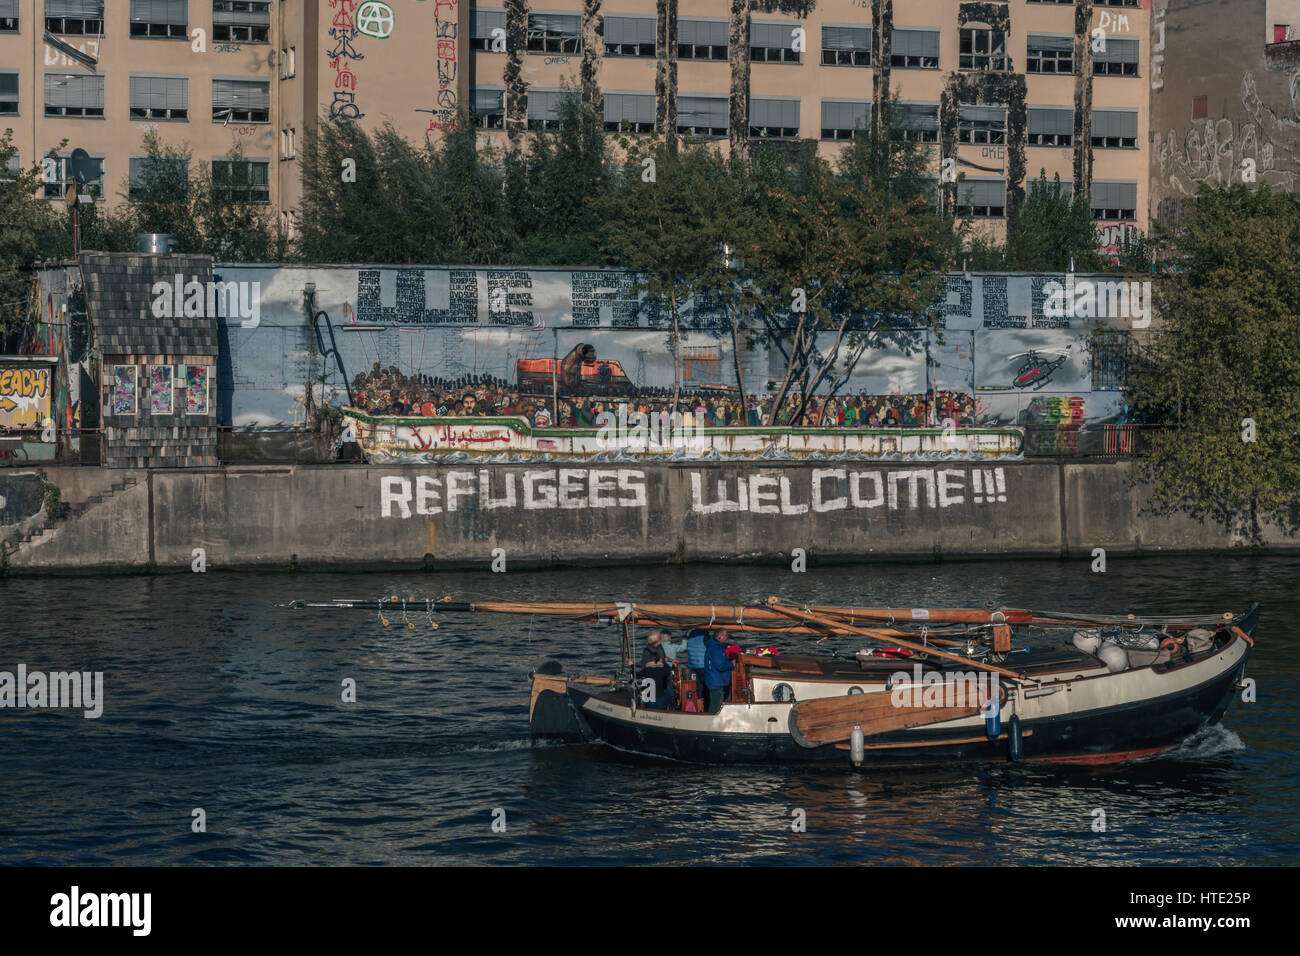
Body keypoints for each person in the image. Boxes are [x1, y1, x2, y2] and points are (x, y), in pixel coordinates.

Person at [703, 629, 734, 714]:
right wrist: (731, 664)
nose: (727, 637)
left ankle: (711, 722)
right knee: (716, 705)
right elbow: (720, 666)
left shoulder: (714, 646)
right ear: (720, 637)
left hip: (715, 679)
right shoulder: (716, 649)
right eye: (726, 635)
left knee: (715, 703)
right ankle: (710, 724)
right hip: (716, 681)